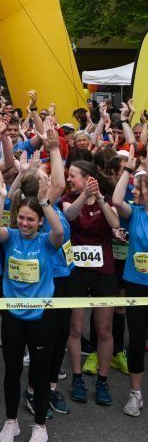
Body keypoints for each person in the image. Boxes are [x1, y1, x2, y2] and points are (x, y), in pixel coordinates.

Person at [0, 166, 64, 442]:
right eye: (21, 218)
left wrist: (45, 203)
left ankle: (40, 426)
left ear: (39, 221)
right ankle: (11, 422)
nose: (24, 223)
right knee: (12, 371)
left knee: (41, 372)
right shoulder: (10, 239)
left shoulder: (47, 241)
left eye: (30, 219)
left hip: (41, 317)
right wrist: (1, 197)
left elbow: (59, 232)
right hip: (13, 316)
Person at [62, 161, 120, 405]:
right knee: (75, 328)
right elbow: (70, 215)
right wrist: (83, 195)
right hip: (76, 270)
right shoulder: (68, 198)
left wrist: (99, 198)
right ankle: (77, 378)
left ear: (88, 178)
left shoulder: (105, 200)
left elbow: (115, 224)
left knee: (104, 329)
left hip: (103, 269)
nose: (69, 180)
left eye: (73, 176)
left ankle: (102, 381)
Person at [111, 149, 148, 417]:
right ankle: (135, 394)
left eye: (138, 188)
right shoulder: (134, 213)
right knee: (135, 341)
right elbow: (115, 198)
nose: (133, 192)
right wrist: (129, 169)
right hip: (136, 284)